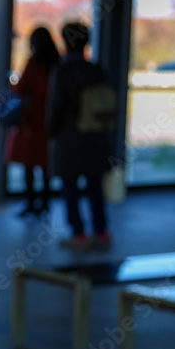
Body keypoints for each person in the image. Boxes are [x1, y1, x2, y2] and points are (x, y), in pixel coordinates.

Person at [48, 22, 114, 249]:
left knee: (70, 187)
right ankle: (101, 231)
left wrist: (50, 131)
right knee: (95, 186)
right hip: (96, 136)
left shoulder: (62, 71)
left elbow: (56, 108)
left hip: (70, 138)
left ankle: (78, 234)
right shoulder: (97, 69)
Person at [5, 26, 60, 218]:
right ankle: (44, 203)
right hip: (50, 119)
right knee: (45, 163)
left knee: (29, 163)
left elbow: (21, 89)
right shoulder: (56, 63)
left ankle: (30, 203)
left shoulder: (34, 63)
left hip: (31, 121)